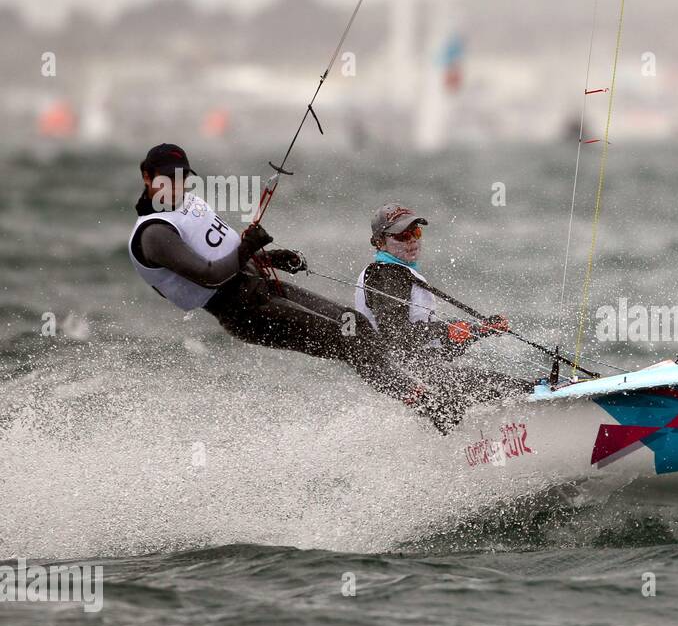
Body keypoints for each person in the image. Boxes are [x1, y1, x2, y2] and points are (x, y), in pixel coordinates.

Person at [126, 144, 484, 431]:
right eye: (165, 178)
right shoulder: (154, 233)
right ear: (147, 177)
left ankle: (434, 385)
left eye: (181, 177)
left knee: (354, 322)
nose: (173, 185)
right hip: (244, 311)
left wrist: (269, 257)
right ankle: (429, 405)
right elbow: (210, 275)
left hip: (264, 287)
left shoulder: (189, 205)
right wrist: (249, 248)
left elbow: (227, 251)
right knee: (348, 341)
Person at [355, 203, 528, 412]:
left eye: (415, 232)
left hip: (422, 372)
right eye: (401, 236)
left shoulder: (394, 272)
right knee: (509, 387)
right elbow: (395, 337)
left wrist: (478, 330)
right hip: (412, 380)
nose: (411, 241)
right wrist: (448, 329)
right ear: (380, 242)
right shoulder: (386, 275)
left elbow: (428, 347)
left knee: (502, 385)